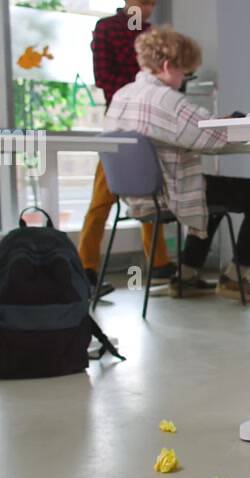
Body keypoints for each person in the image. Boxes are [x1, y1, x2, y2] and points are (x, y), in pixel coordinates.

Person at [105, 26, 250, 302]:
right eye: (183, 72)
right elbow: (212, 139)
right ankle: (237, 278)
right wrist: (246, 124)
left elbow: (181, 132)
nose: (184, 78)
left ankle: (186, 276)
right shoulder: (166, 100)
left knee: (213, 194)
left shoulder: (122, 95)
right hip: (169, 193)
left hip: (134, 195)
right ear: (166, 65)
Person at [79, 0, 173, 298]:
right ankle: (85, 268)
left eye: (151, 4)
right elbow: (104, 78)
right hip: (121, 121)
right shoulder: (107, 28)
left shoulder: (153, 33)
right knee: (102, 198)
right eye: (144, 3)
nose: (148, 9)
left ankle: (159, 266)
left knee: (151, 194)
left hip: (148, 120)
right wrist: (138, 93)